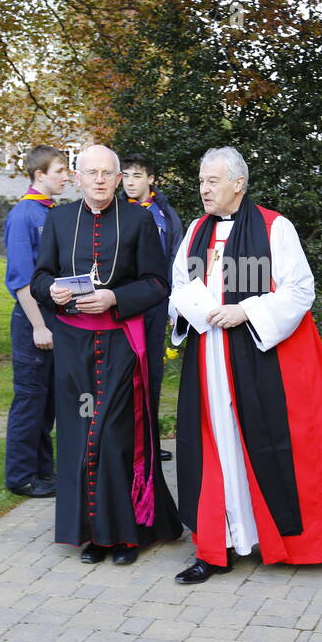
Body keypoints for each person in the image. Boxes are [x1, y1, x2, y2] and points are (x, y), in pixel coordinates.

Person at [170, 146, 322, 584]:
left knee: (259, 445)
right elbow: (178, 285)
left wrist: (246, 311)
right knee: (215, 446)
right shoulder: (195, 230)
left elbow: (299, 290)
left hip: (256, 360)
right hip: (209, 360)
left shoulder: (275, 227)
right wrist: (192, 308)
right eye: (200, 181)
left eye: (212, 181)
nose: (204, 189)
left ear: (238, 184)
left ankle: (275, 539)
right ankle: (218, 545)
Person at [31, 144, 182, 565]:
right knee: (80, 435)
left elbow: (156, 284)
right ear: (77, 178)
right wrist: (53, 292)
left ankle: (127, 535)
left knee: (116, 436)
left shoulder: (138, 220)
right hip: (73, 345)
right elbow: (39, 277)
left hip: (120, 344)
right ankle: (93, 535)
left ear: (119, 180)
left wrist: (115, 296)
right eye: (90, 173)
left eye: (107, 173)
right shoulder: (58, 220)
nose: (99, 180)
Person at [2, 146, 69, 498]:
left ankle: (43, 471)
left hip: (54, 318)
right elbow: (20, 279)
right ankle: (21, 476)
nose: (66, 176)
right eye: (59, 170)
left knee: (48, 402)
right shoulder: (24, 215)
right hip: (34, 320)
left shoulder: (51, 211)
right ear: (39, 174)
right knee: (29, 399)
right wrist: (39, 326)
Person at [120, 152, 184, 463]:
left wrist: (174, 302)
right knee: (124, 372)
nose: (130, 182)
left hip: (156, 304)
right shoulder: (117, 211)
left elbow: (176, 259)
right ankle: (125, 443)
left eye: (137, 176)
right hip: (124, 303)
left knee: (152, 374)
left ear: (151, 180)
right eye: (126, 176)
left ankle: (150, 441)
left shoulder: (165, 214)